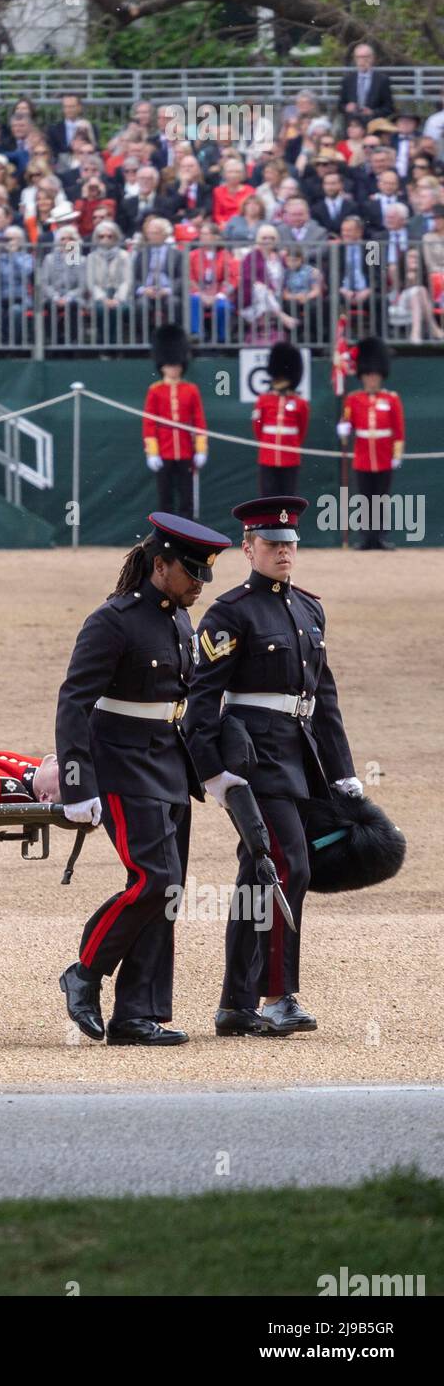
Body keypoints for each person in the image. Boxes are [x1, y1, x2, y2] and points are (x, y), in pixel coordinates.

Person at [185, 497, 361, 1038]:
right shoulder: (229, 612)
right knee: (288, 866)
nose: (284, 552)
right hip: (253, 761)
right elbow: (201, 701)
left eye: (289, 544)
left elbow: (322, 699)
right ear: (248, 548)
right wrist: (216, 776)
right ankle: (279, 996)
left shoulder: (310, 609)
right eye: (272, 544)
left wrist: (344, 773)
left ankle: (237, 1006)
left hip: (299, 758)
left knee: (257, 877)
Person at [55, 513, 233, 1047]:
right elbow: (73, 700)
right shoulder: (112, 620)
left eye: (205, 575)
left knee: (169, 890)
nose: (200, 584)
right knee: (152, 880)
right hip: (122, 765)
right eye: (192, 573)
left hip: (169, 765)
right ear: (161, 565)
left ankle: (138, 1014)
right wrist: (76, 784)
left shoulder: (181, 620)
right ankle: (85, 971)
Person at [336, 335, 405, 550]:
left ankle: (381, 537)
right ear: (363, 377)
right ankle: (366, 537)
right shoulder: (354, 399)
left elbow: (398, 430)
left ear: (380, 377)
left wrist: (396, 454)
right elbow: (348, 424)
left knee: (382, 498)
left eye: (374, 376)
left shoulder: (391, 399)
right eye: (368, 376)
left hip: (384, 454)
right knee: (365, 498)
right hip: (364, 455)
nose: (371, 380)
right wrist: (343, 428)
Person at [142, 323, 207, 519]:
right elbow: (149, 424)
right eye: (170, 365)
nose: (174, 369)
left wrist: (201, 449)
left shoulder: (191, 389)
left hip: (186, 450)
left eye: (176, 365)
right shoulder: (155, 390)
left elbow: (199, 420)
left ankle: (187, 536)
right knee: (165, 498)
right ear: (162, 366)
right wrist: (153, 452)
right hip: (164, 450)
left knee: (187, 498)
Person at [252, 341, 309, 496]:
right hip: (268, 457)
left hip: (290, 458)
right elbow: (258, 428)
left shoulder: (300, 403)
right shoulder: (263, 400)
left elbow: (301, 431)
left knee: (288, 499)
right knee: (267, 498)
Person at [338, 43, 395, 121]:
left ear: (372, 58)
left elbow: (389, 108)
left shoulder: (382, 80)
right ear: (355, 59)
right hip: (353, 124)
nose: (362, 61)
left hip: (373, 123)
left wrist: (372, 112)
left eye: (365, 57)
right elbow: (340, 105)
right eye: (358, 57)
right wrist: (347, 108)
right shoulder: (348, 80)